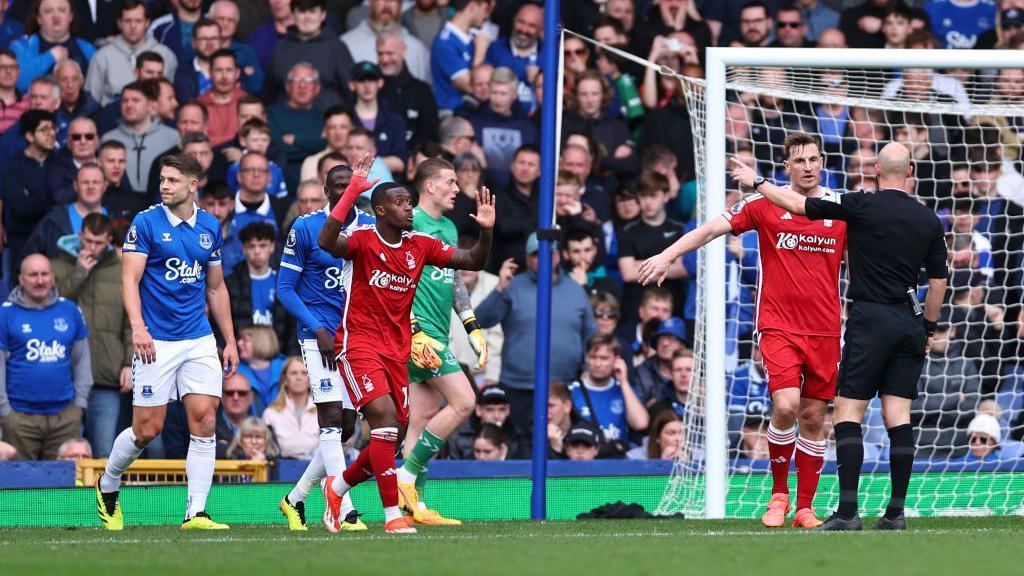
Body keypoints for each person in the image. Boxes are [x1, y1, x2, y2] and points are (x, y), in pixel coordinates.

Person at [731, 141, 949, 531]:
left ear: (877, 173)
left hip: (868, 320)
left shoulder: (860, 205)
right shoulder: (929, 220)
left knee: (847, 414)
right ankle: (895, 514)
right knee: (899, 416)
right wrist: (928, 328)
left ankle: (848, 511)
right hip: (909, 323)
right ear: (911, 174)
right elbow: (938, 282)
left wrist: (757, 181)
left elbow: (799, 206)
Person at [642, 133, 849, 528]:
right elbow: (709, 230)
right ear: (786, 167)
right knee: (786, 405)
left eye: (813, 159)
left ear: (821, 162)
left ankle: (805, 507)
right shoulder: (762, 204)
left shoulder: (840, 207)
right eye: (799, 160)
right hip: (779, 326)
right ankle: (778, 495)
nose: (807, 166)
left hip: (825, 330)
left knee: (813, 417)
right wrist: (668, 255)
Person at [317, 152, 493, 534]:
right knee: (382, 419)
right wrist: (349, 194)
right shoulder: (362, 240)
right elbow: (326, 239)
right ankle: (393, 515)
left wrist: (487, 231)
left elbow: (474, 261)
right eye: (400, 203)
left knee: (392, 435)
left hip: (397, 350)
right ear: (379, 210)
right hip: (359, 343)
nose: (408, 208)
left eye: (409, 203)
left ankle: (338, 485)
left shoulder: (421, 245)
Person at [97, 153, 239, 531]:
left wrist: (230, 339)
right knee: (147, 430)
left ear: (194, 185)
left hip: (198, 339)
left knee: (206, 418)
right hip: (155, 339)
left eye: (173, 180)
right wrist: (138, 328)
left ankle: (196, 512)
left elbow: (216, 286)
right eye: (162, 179)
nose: (164, 186)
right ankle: (108, 482)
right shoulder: (144, 223)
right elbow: (128, 281)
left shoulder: (210, 226)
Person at [276, 162, 373, 532]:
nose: (343, 190)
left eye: (350, 185)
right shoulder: (305, 227)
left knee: (346, 427)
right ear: (326, 189)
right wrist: (316, 327)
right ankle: (342, 508)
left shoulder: (370, 228)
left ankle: (295, 498)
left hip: (355, 335)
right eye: (337, 185)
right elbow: (285, 288)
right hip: (319, 336)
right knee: (330, 419)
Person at [397, 158, 491, 526]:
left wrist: (471, 327)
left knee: (419, 419)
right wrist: (416, 330)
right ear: (430, 186)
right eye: (450, 182)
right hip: (416, 336)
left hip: (436, 333)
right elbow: (394, 280)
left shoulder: (449, 227)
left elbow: (452, 280)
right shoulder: (408, 225)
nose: (458, 188)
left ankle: (414, 508)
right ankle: (406, 477)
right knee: (465, 401)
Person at [51, 213, 131, 458]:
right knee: (65, 451)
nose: (93, 248)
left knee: (104, 451)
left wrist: (128, 363)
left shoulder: (122, 271)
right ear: (79, 236)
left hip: (106, 375)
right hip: (66, 375)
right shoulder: (59, 265)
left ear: (109, 240)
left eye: (99, 243)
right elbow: (52, 308)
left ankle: (103, 498)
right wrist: (78, 274)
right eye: (88, 241)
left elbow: (131, 323)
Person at [0, 254, 92, 460]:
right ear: (21, 279)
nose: (40, 280)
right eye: (33, 275)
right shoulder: (5, 314)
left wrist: (79, 406)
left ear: (52, 277)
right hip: (19, 417)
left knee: (65, 484)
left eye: (44, 274)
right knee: (19, 485)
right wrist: (5, 411)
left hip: (65, 416)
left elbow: (82, 361)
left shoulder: (70, 310)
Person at [84, 0, 178, 107]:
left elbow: (171, 100)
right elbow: (90, 101)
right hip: (112, 120)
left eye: (138, 21)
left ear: (147, 23)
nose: (133, 26)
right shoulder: (102, 56)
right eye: (128, 21)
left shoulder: (166, 55)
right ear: (119, 23)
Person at [2, 110, 57, 283]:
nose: (51, 134)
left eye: (53, 128)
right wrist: (50, 200)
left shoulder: (60, 161)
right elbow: (23, 208)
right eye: (44, 129)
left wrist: (33, 196)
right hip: (22, 238)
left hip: (55, 237)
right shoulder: (13, 167)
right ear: (29, 136)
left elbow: (65, 200)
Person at [570, 334, 648, 448]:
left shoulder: (624, 390)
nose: (598, 364)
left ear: (616, 360)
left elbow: (640, 423)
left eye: (604, 358)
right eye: (593, 357)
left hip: (617, 460)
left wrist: (624, 382)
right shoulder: (572, 391)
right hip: (582, 459)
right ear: (586, 358)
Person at [100, 81, 180, 193]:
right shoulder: (108, 139)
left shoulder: (172, 137)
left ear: (150, 105)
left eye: (135, 100)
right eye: (125, 101)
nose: (129, 105)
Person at [11, 0, 96, 92]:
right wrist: (49, 57)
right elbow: (20, 84)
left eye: (62, 10)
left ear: (71, 16)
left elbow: (95, 91)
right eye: (48, 11)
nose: (56, 16)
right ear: (38, 18)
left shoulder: (87, 49)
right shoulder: (20, 47)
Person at [431, 0, 491, 112]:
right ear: (473, 6)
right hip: (452, 114)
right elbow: (472, 87)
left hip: (472, 111)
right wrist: (480, 53)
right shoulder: (445, 43)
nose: (487, 15)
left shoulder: (473, 39)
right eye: (485, 9)